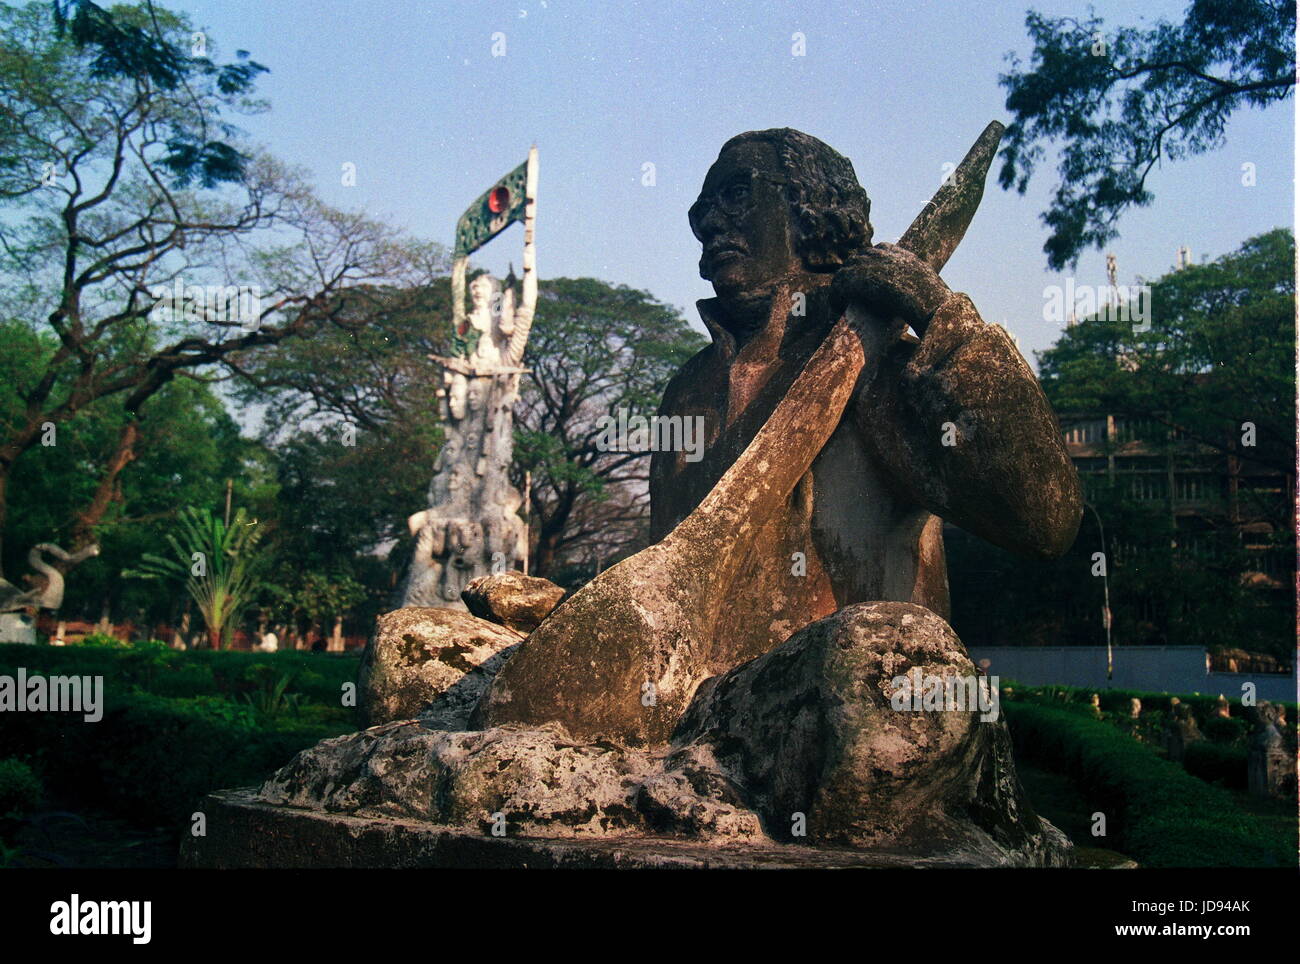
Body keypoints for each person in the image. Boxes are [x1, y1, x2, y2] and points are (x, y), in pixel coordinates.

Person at [649, 128, 1082, 673]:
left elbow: (1044, 518)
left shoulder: (882, 367)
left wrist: (940, 314)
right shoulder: (687, 389)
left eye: (738, 193)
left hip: (859, 717)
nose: (710, 222)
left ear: (814, 211)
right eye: (700, 210)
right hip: (689, 725)